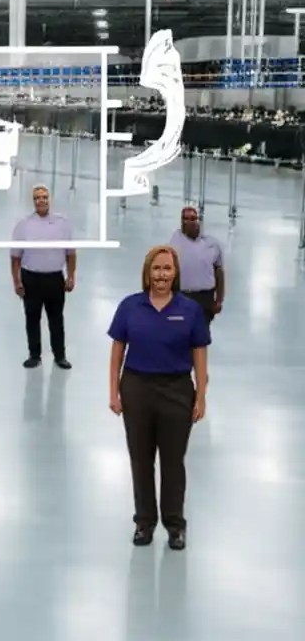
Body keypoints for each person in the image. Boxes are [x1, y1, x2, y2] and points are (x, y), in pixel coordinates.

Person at [108, 245, 209, 551]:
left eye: (167, 269)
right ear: (147, 272)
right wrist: (113, 390)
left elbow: (200, 354)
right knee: (141, 459)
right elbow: (117, 352)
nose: (161, 274)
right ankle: (144, 522)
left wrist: (200, 395)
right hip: (137, 387)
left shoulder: (190, 310)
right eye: (156, 268)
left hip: (177, 390)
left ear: (175, 273)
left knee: (173, 461)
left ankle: (175, 525)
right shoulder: (130, 306)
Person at [10, 184, 76, 369]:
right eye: (37, 198)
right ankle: (34, 354)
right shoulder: (23, 225)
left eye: (44, 197)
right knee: (32, 317)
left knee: (56, 318)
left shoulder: (62, 224)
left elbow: (71, 253)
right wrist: (16, 280)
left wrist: (71, 276)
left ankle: (60, 355)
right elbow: (15, 256)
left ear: (49, 200)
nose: (41, 201)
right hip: (31, 277)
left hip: (54, 278)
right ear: (33, 201)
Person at [168, 205, 224, 327]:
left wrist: (219, 300)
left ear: (198, 220)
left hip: (205, 298)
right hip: (182, 296)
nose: (188, 222)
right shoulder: (174, 243)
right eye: (185, 218)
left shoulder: (212, 244)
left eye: (192, 218)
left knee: (201, 333)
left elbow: (219, 273)